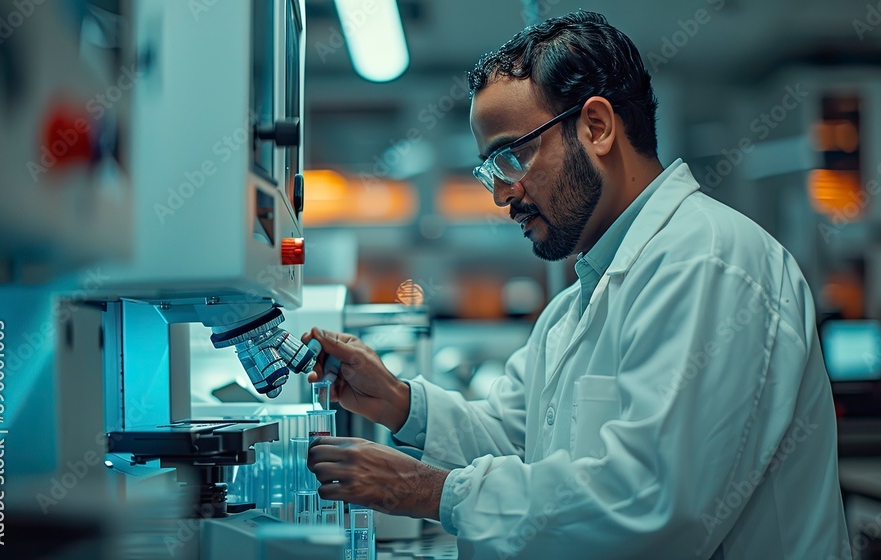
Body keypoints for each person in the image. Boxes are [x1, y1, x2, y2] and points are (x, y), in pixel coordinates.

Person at [304, 10, 849, 559]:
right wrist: (399, 403)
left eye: (511, 156)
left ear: (597, 127)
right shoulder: (575, 307)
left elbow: (651, 505)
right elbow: (516, 440)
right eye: (489, 169)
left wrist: (423, 490)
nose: (501, 193)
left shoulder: (707, 262)